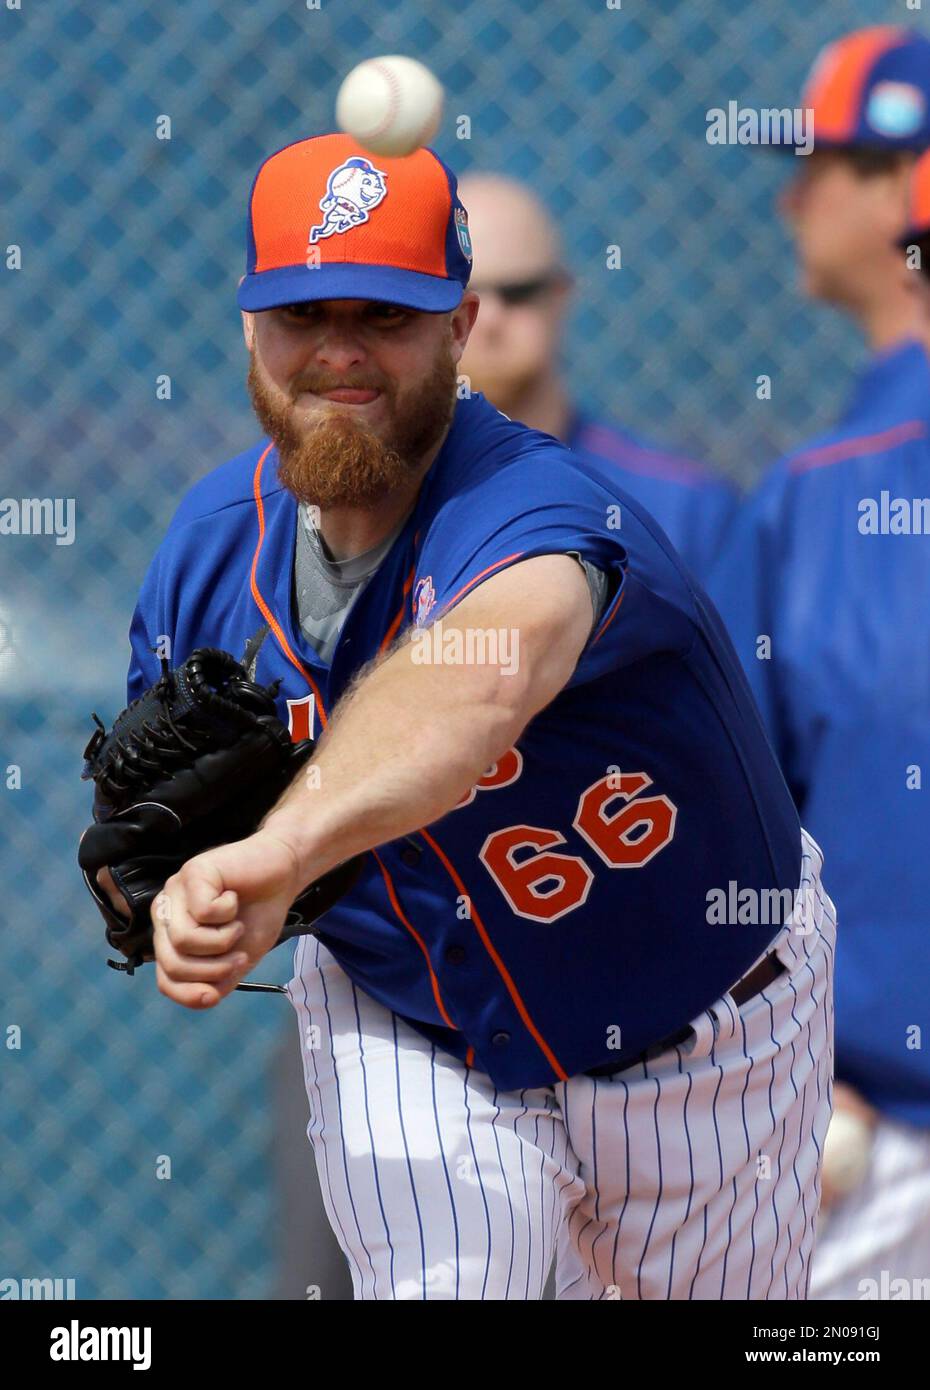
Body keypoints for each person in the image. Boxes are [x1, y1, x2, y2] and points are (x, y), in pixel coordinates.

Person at [98, 132, 834, 1300]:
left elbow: (480, 683)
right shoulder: (204, 556)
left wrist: (285, 845)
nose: (340, 353)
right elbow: (151, 838)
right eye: (302, 312)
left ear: (460, 325)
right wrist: (185, 898)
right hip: (418, 1026)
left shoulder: (534, 498)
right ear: (249, 327)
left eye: (384, 316)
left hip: (708, 1023)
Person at [708, 26, 930, 1300]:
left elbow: (717, 830)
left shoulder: (816, 498)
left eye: (824, 162)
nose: (791, 195)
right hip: (859, 1135)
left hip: (865, 1144)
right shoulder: (812, 494)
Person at [455, 173, 736, 582]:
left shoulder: (683, 508)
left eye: (519, 293)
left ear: (561, 297)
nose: (493, 319)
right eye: (469, 295)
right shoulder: (382, 505)